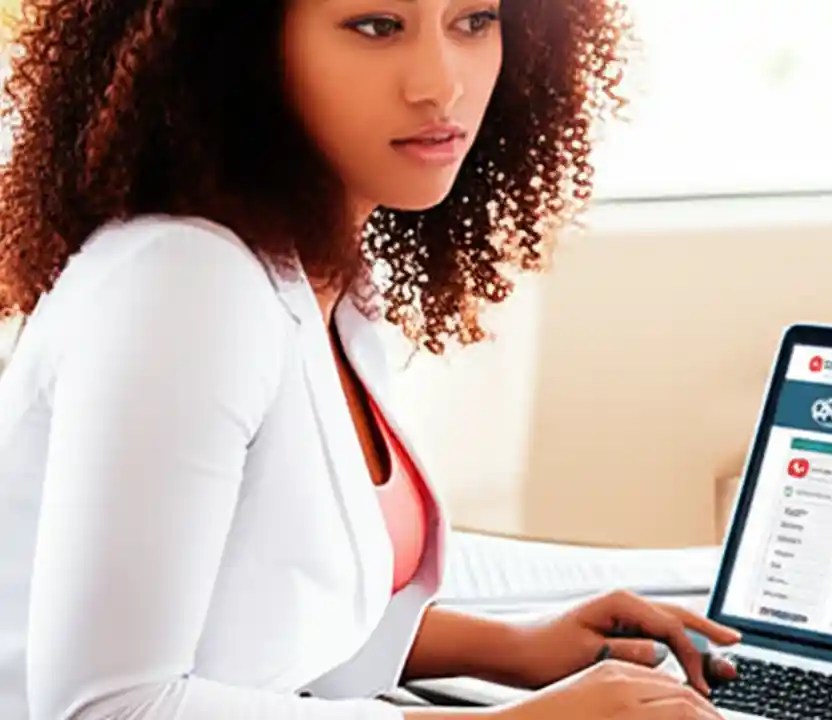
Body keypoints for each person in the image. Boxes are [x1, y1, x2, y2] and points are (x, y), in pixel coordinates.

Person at [0, 0, 740, 718]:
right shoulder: (187, 284)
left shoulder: (320, 279)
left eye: (474, 21)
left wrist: (516, 648)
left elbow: (271, 609)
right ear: (245, 45)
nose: (440, 84)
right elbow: (111, 707)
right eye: (378, 26)